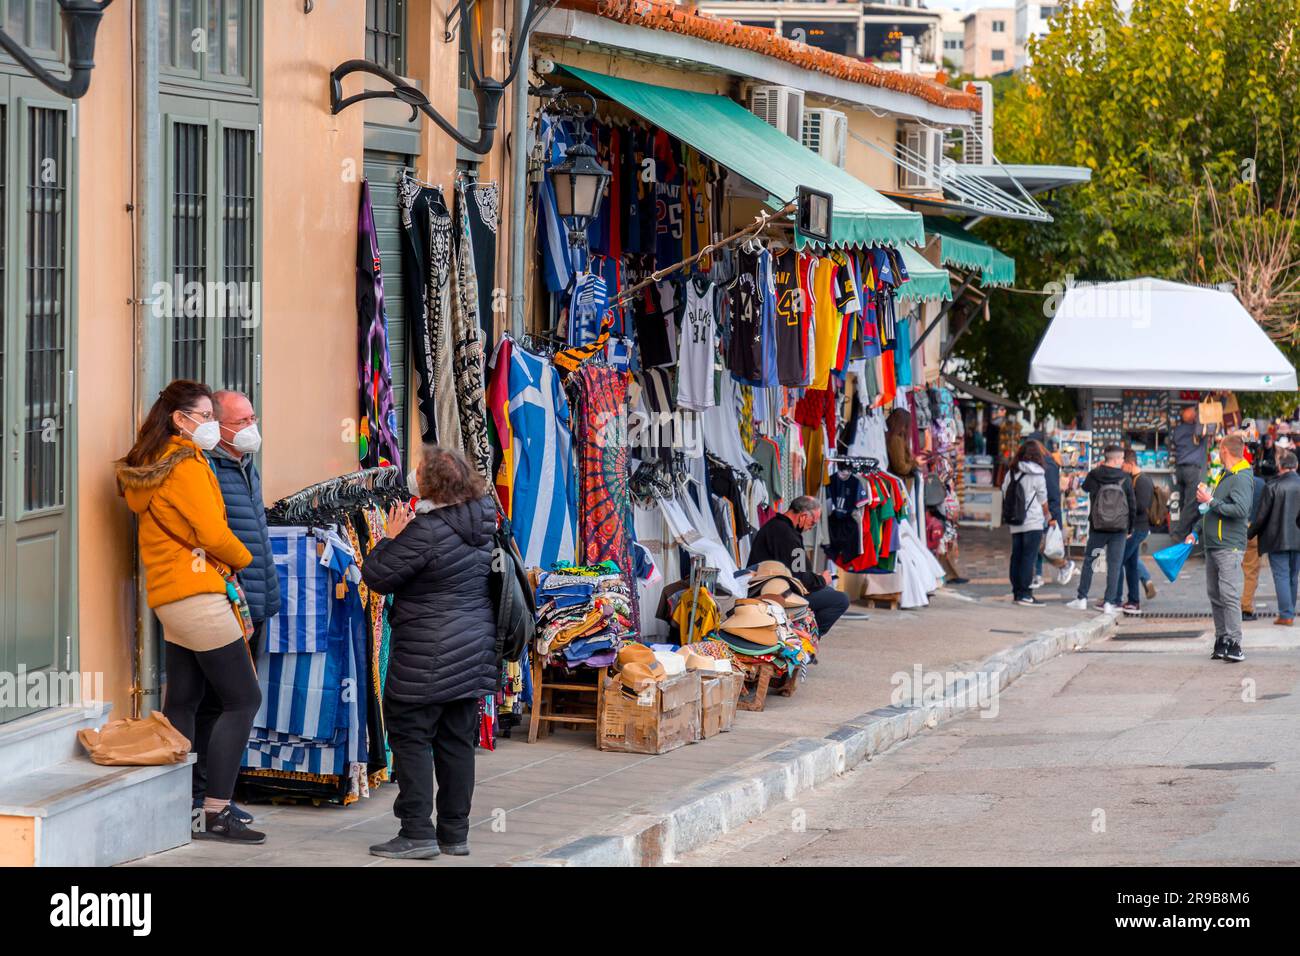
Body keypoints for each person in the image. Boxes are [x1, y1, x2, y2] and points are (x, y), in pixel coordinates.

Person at [115, 380, 263, 844]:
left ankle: (178, 803)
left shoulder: (152, 464)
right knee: (243, 698)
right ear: (181, 420)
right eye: (206, 416)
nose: (212, 426)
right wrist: (245, 558)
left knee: (184, 700)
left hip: (171, 595)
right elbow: (212, 532)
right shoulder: (186, 466)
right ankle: (216, 808)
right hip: (198, 595)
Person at [362, 446, 499, 860]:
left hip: (426, 653)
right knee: (457, 743)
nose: (412, 476)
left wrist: (389, 536)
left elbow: (378, 576)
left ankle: (416, 831)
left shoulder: (426, 530)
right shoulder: (486, 521)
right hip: (474, 650)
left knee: (411, 738)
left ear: (432, 483)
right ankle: (455, 834)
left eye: (418, 471)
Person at [187, 389, 279, 824]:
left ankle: (220, 793)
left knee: (230, 702)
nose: (250, 428)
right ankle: (206, 798)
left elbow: (256, 529)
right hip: (228, 600)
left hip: (255, 599)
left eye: (252, 418)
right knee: (226, 701)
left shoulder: (244, 464)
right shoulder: (207, 468)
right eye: (240, 422)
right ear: (218, 426)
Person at [1186, 434, 1255, 663]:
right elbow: (1210, 510)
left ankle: (1235, 643)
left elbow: (1241, 510)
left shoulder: (1241, 477)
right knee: (1216, 595)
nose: (1217, 451)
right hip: (1213, 544)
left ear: (1225, 450)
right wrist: (1195, 530)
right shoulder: (1225, 475)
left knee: (1229, 595)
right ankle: (1222, 639)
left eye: (1218, 447)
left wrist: (1210, 500)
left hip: (1229, 546)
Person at [747, 495, 852, 635]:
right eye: (812, 523)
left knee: (829, 594)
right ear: (803, 516)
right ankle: (806, 638)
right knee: (840, 600)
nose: (811, 528)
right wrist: (822, 580)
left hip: (771, 589)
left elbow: (797, 571)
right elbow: (800, 578)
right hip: (776, 594)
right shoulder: (788, 535)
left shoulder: (775, 526)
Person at [1067, 444, 1136, 613]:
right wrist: (1130, 529)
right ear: (1117, 459)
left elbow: (1084, 489)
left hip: (1098, 527)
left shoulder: (1095, 474)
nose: (1122, 461)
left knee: (1090, 561)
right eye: (1121, 458)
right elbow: (1132, 505)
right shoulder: (1125, 477)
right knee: (1114, 565)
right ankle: (1109, 603)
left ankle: (1082, 598)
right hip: (1119, 529)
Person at [1247, 449, 1300, 626]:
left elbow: (1261, 516)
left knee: (1282, 576)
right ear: (1296, 466)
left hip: (1277, 540)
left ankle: (1286, 615)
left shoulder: (1272, 486)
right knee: (1293, 576)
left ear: (1279, 466)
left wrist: (1249, 534)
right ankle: (1289, 611)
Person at [1001, 441, 1051, 607]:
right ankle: (1026, 594)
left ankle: (1017, 592)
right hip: (1033, 521)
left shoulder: (1012, 472)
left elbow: (1004, 490)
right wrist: (1048, 516)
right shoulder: (1038, 474)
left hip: (1015, 520)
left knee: (1016, 556)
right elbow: (1043, 499)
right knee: (1028, 558)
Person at [1025, 434, 1077, 589]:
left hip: (1046, 513)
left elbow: (1052, 493)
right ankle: (1038, 575)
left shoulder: (1048, 465)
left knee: (1040, 545)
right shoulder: (1044, 464)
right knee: (1038, 543)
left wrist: (1052, 517)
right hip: (1040, 511)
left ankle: (1064, 565)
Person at [1119, 448, 1155, 614]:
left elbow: (1142, 506)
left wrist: (1125, 505)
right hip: (1135, 527)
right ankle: (1133, 601)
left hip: (1138, 528)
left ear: (1131, 463)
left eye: (1123, 464)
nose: (1121, 468)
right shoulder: (1132, 478)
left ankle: (1115, 598)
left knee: (1118, 561)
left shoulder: (1143, 481)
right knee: (1131, 563)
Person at [1170, 404, 1207, 541]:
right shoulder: (1196, 429)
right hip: (1191, 470)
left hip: (1180, 470)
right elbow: (1209, 423)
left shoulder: (1178, 430)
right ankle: (1180, 534)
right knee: (1192, 503)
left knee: (1184, 503)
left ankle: (1184, 532)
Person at [1240, 465, 1269, 621]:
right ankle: (1246, 607)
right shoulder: (1261, 484)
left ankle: (1230, 607)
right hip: (1253, 530)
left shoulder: (1235, 482)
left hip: (1235, 530)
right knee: (1251, 572)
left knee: (1230, 571)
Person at [885, 408, 916, 478]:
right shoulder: (896, 440)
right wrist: (915, 463)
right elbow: (901, 467)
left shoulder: (889, 434)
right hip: (897, 478)